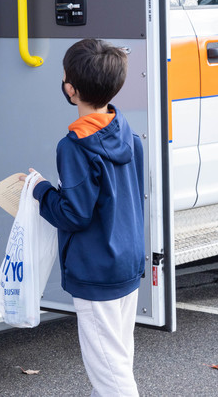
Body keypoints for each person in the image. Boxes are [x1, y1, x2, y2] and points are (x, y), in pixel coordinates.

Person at [21, 38, 144, 396]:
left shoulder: (74, 147)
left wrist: (39, 189)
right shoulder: (128, 135)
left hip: (96, 270)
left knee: (111, 374)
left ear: (71, 90)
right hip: (126, 260)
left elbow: (73, 214)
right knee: (116, 359)